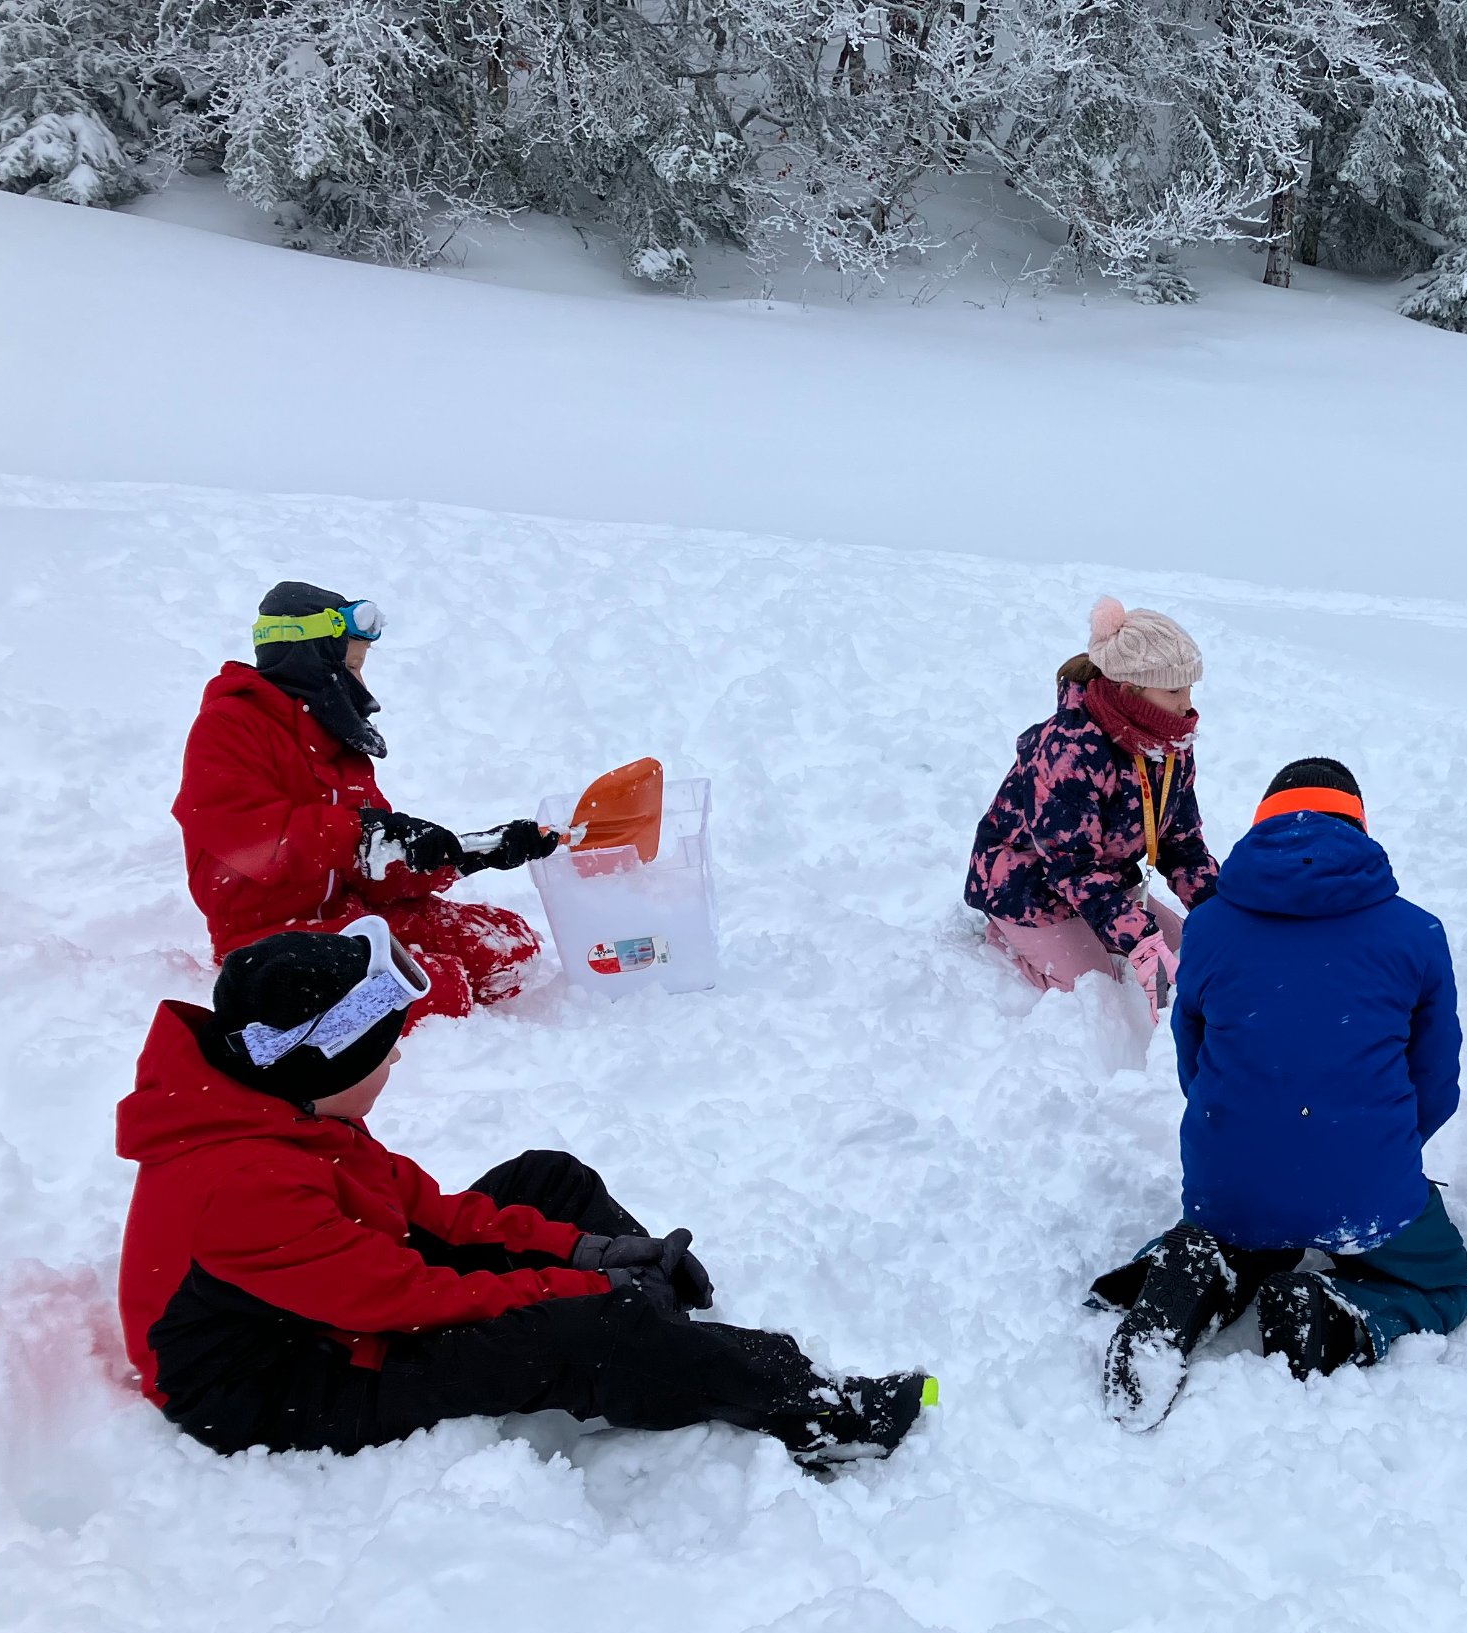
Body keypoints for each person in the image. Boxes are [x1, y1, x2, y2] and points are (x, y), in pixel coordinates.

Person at [116, 916, 932, 1462]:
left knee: (548, 1181)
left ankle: (665, 1334)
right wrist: (589, 1292)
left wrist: (593, 1250)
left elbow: (423, 1211)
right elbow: (407, 1296)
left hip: (326, 1299)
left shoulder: (283, 1100)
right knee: (585, 1332)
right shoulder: (245, 1185)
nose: (397, 1060)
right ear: (327, 1064)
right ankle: (815, 1411)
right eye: (384, 1049)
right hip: (282, 1380)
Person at [1091, 761, 1467, 1427]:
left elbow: (1195, 1063)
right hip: (1366, 1182)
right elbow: (1436, 1082)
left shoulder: (1209, 927)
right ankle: (1337, 1317)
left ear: (1263, 825)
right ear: (1359, 827)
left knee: (1250, 1218)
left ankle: (1201, 1263)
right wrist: (1372, 1145)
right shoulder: (1416, 933)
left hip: (1228, 1179)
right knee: (1442, 1283)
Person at [174, 580, 561, 1024]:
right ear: (310, 661)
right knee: (440, 987)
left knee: (507, 946)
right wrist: (367, 834)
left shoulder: (339, 746)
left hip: (352, 916)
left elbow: (375, 871)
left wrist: (468, 852)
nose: (360, 683)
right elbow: (249, 837)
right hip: (270, 941)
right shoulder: (229, 724)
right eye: (352, 667)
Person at [965, 597, 1217, 1015]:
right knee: (1097, 985)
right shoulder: (1070, 748)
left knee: (1194, 949)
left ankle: (1097, 929)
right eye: (1173, 689)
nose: (1186, 703)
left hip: (1104, 880)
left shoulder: (1170, 744)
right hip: (1025, 883)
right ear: (1129, 690)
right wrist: (1136, 936)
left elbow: (1182, 843)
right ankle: (1005, 937)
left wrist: (1218, 912)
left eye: (1190, 687)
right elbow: (1071, 865)